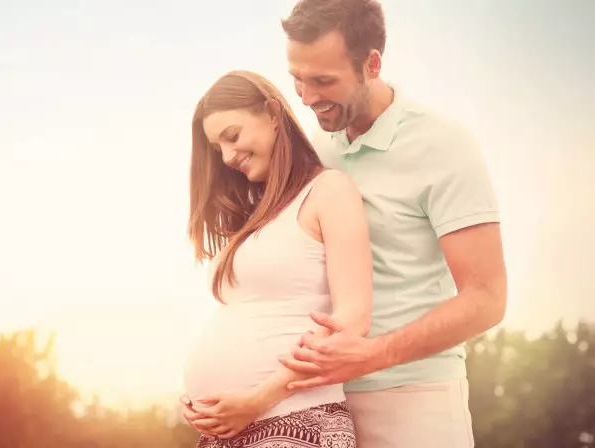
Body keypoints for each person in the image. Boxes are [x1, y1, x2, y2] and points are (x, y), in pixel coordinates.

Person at [185, 0, 508, 447]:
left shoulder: (442, 146)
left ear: (371, 64)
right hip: (321, 401)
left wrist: (371, 355)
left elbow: (487, 298)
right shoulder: (321, 148)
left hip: (414, 396)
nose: (307, 96)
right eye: (297, 79)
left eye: (323, 81)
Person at [180, 70, 372, 447]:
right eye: (217, 148)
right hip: (230, 432)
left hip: (296, 420)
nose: (226, 156)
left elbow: (352, 319)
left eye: (231, 136)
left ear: (271, 113)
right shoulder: (255, 217)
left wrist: (257, 399)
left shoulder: (327, 190)